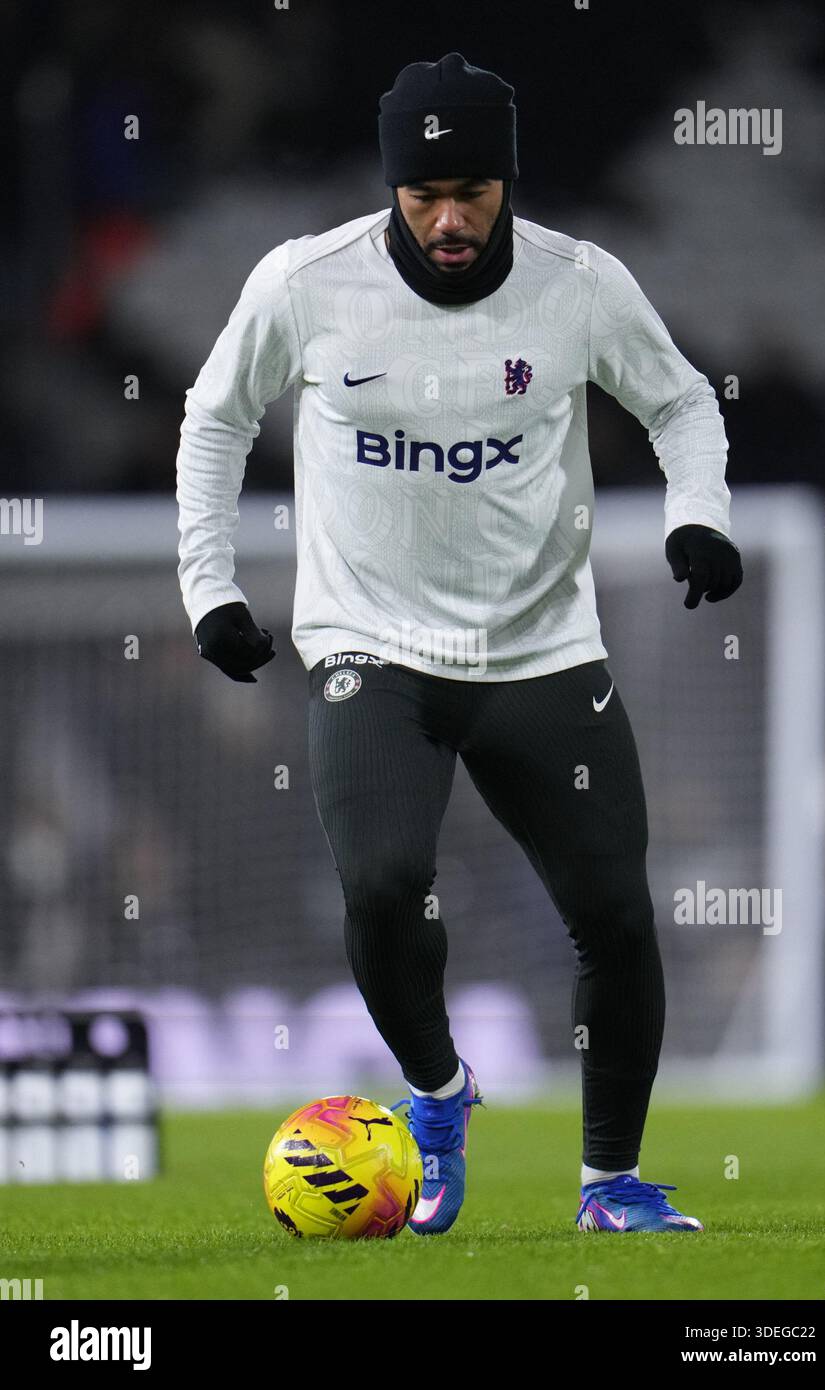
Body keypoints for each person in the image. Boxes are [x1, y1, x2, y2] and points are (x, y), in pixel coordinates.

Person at [176, 52, 742, 1236]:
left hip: (540, 649)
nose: (446, 217)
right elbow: (215, 414)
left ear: (509, 180)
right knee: (383, 885)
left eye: (472, 191)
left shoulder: (577, 285)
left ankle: (609, 1186)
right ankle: (439, 1094)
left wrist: (698, 514)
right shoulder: (304, 283)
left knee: (615, 919)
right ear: (391, 186)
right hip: (369, 644)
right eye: (422, 191)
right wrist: (209, 586)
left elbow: (682, 400)